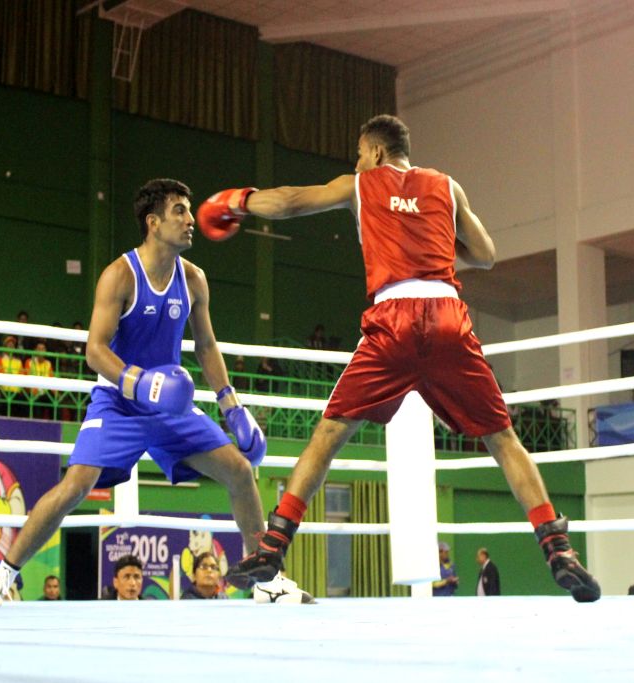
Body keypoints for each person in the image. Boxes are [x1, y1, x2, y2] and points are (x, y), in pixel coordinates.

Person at [208, 115, 600, 602]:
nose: (357, 162)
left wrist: (236, 201)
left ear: (373, 153)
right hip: (447, 316)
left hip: (392, 317)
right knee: (501, 437)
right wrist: (428, 249)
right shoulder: (447, 186)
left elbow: (288, 201)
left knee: (330, 432)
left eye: (358, 153)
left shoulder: (361, 183)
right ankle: (558, 548)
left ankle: (272, 544)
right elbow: (486, 253)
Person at [0, 179, 303, 605]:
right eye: (180, 211)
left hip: (172, 406)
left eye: (188, 210)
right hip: (119, 402)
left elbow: (205, 345)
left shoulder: (194, 280)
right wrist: (138, 382)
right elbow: (95, 349)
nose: (190, 220)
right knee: (75, 486)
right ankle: (1, 577)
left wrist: (230, 402)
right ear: (153, 222)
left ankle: (265, 579)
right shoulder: (119, 275)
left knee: (240, 470)